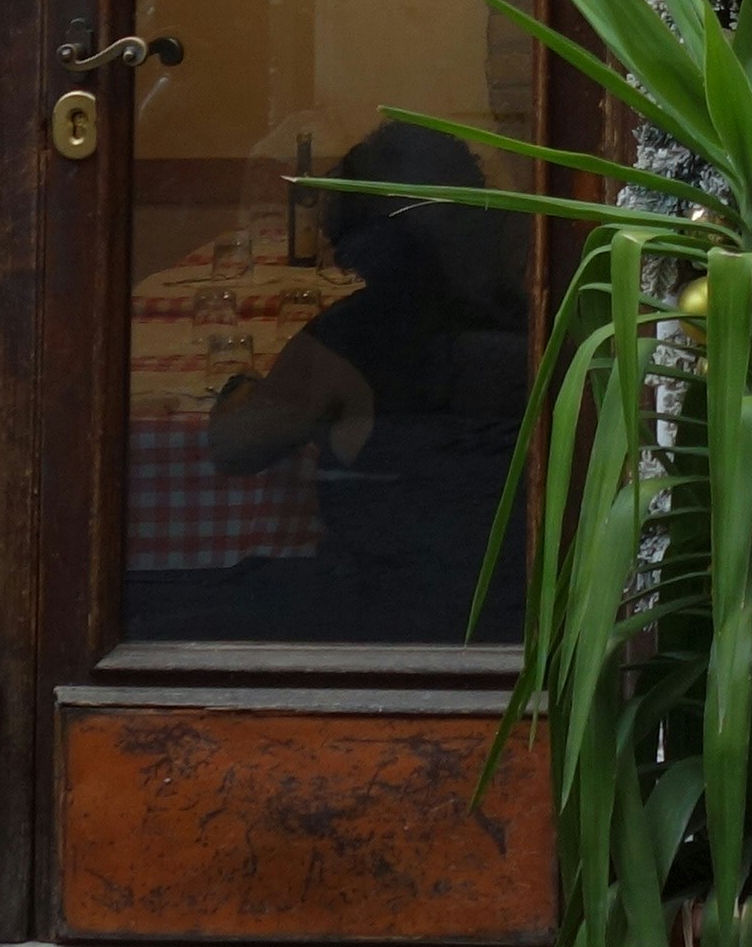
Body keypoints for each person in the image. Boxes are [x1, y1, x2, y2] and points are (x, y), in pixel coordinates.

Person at [184, 120, 524, 638]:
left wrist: (240, 389)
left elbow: (234, 445)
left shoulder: (349, 338)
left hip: (375, 623)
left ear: (353, 234)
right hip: (516, 612)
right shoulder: (530, 321)